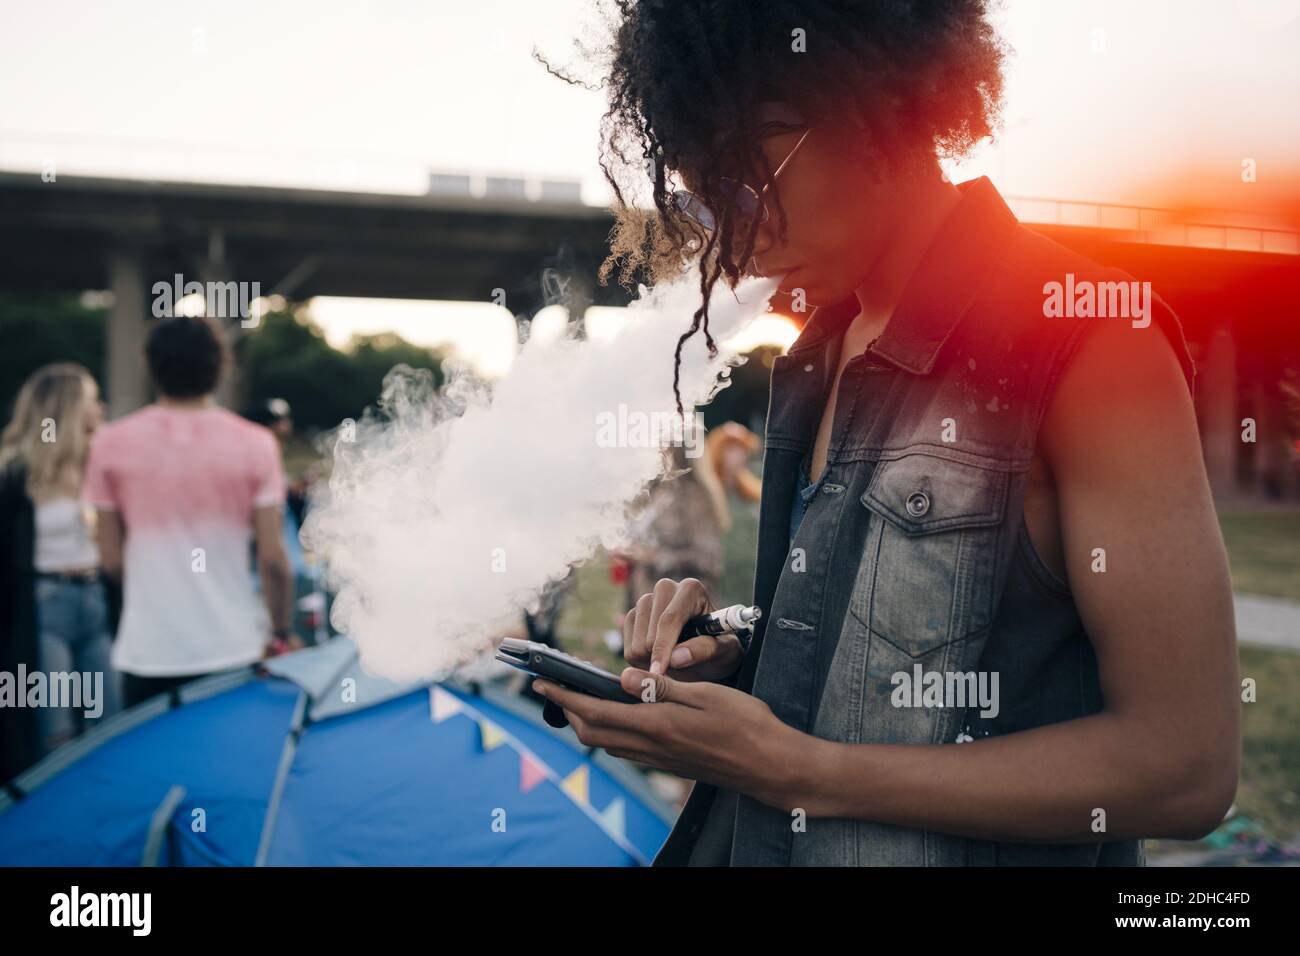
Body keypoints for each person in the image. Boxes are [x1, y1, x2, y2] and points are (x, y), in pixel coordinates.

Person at [532, 1, 1240, 866]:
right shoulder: (814, 355)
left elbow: (1185, 769)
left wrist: (805, 772)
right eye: (701, 197)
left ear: (874, 106)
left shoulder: (1090, 344)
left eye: (741, 181)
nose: (735, 235)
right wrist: (736, 650)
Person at [83, 316, 298, 708]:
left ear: (151, 366)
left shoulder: (110, 443)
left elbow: (111, 561)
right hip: (231, 645)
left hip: (148, 648)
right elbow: (273, 559)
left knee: (150, 767)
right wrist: (281, 630)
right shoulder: (257, 443)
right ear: (221, 365)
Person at [0, 364, 120, 778]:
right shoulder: (17, 473)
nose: (101, 407)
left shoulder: (100, 465)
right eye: (92, 398)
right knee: (55, 732)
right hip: (44, 607)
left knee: (110, 721)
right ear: (68, 406)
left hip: (95, 601)